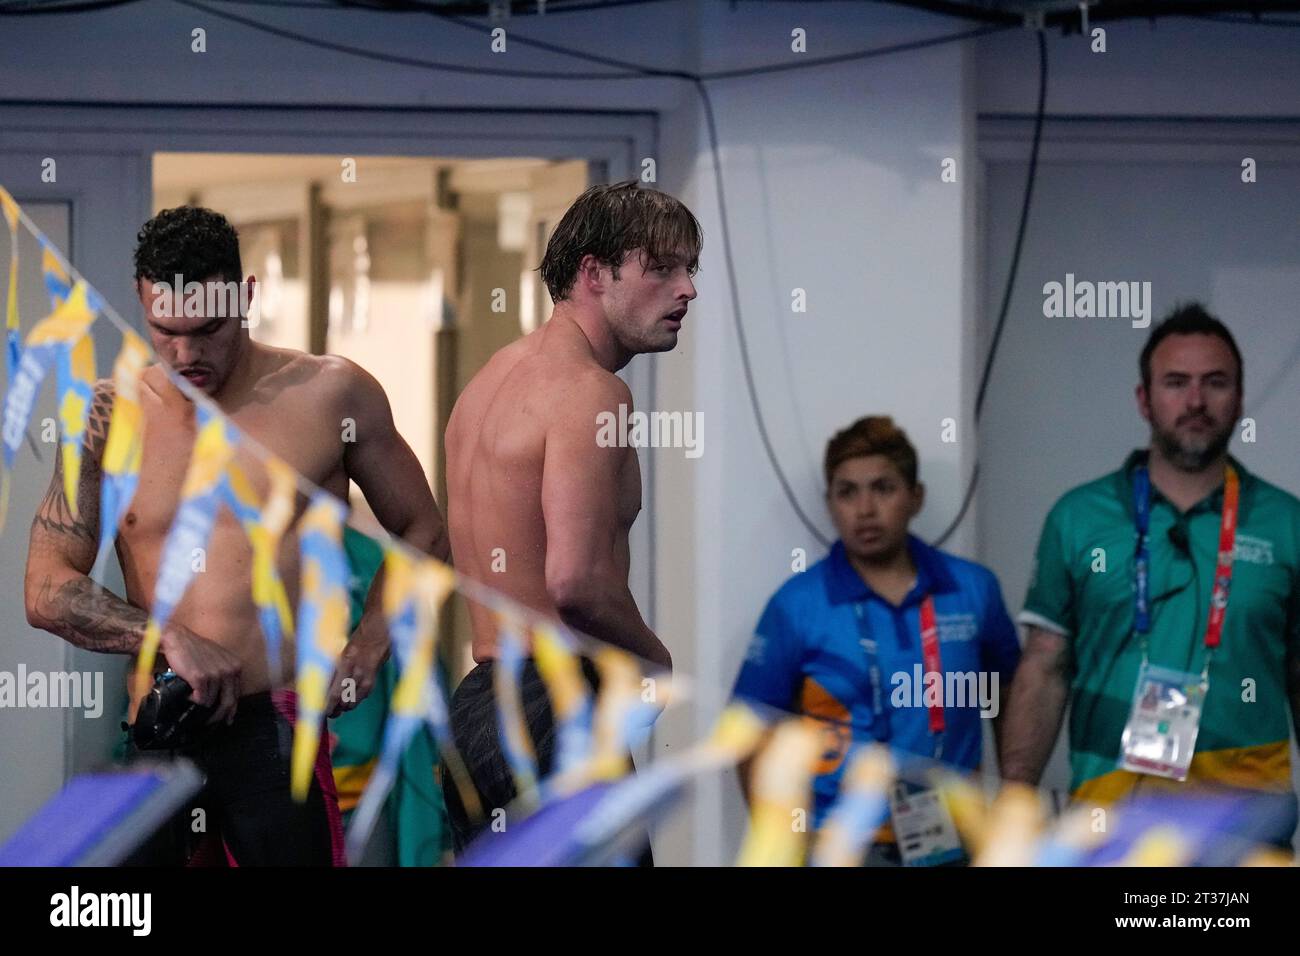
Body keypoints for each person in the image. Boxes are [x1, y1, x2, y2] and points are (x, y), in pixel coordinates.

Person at [23, 206, 449, 866]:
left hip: (278, 733)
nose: (186, 353)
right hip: (163, 728)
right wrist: (167, 639)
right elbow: (46, 589)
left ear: (245, 297)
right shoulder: (103, 419)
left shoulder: (332, 395)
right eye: (165, 331)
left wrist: (369, 645)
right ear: (141, 300)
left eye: (208, 330)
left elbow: (422, 528)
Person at [441, 181, 699, 857]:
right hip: (554, 710)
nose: (687, 290)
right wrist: (655, 659)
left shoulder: (487, 385)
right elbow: (576, 581)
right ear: (593, 272)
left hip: (480, 711)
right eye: (663, 268)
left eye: (690, 270)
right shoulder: (591, 392)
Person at [1001, 304, 1300, 846]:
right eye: (1175, 383)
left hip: (1246, 834)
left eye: (1215, 383)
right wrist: (1013, 810)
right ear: (1144, 399)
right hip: (1108, 831)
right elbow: (1044, 666)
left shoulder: (1287, 524)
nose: (1195, 402)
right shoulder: (1078, 518)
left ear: (1239, 399)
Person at [732, 416, 1021, 866]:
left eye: (883, 488)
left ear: (915, 497)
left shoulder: (973, 589)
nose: (865, 509)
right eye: (847, 492)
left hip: (953, 839)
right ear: (830, 504)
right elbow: (752, 731)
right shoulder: (797, 604)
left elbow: (1011, 698)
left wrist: (1012, 809)